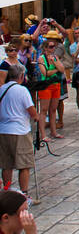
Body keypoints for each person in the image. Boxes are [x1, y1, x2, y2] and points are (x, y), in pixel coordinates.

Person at [0, 66, 38, 196]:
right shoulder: (22, 90)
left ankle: (6, 190)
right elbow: (31, 110)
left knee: (6, 165)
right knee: (24, 164)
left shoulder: (1, 89)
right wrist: (37, 117)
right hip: (20, 130)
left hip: (3, 130)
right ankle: (24, 193)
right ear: (21, 76)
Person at [35, 33, 64, 141]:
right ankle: (43, 134)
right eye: (51, 47)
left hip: (55, 85)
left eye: (54, 47)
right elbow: (45, 73)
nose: (53, 49)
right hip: (46, 86)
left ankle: (53, 132)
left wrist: (55, 64)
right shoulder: (41, 59)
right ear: (46, 48)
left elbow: (62, 69)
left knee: (53, 109)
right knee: (44, 110)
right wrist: (56, 69)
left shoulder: (55, 57)